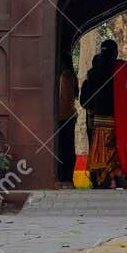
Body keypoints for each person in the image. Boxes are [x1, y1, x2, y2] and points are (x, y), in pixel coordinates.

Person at [79, 39, 127, 188]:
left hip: (100, 122)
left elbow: (85, 100)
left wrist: (92, 111)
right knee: (118, 150)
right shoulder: (123, 68)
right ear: (115, 52)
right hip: (120, 121)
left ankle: (107, 180)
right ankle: (120, 176)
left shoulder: (93, 72)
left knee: (102, 154)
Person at [56, 53, 78, 186]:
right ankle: (66, 177)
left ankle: (65, 177)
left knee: (64, 149)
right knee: (68, 148)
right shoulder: (70, 77)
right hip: (67, 116)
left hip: (63, 117)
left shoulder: (65, 77)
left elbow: (62, 100)